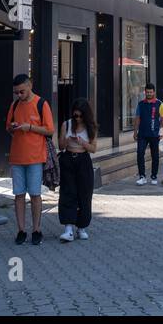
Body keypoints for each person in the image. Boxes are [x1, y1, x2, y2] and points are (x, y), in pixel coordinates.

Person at [6, 74, 54, 245]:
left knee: (35, 194)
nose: (19, 95)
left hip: (35, 157)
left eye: (21, 92)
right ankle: (21, 230)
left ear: (30, 86)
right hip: (17, 157)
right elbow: (8, 127)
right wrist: (13, 127)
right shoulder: (15, 105)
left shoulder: (41, 104)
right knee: (18, 194)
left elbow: (49, 130)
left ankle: (36, 229)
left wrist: (30, 127)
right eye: (16, 93)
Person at [57, 99, 97, 242]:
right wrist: (67, 141)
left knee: (84, 193)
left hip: (83, 160)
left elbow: (93, 148)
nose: (78, 119)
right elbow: (60, 146)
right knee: (68, 192)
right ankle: (68, 228)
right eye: (75, 116)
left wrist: (82, 142)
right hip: (68, 159)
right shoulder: (66, 124)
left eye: (80, 116)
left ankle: (82, 227)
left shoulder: (90, 127)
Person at [134, 84, 163, 185]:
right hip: (142, 134)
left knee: (155, 156)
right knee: (140, 153)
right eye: (147, 92)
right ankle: (142, 176)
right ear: (145, 92)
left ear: (154, 92)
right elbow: (137, 118)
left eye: (151, 92)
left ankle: (154, 176)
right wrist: (135, 131)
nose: (149, 94)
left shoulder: (159, 104)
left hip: (154, 134)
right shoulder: (140, 104)